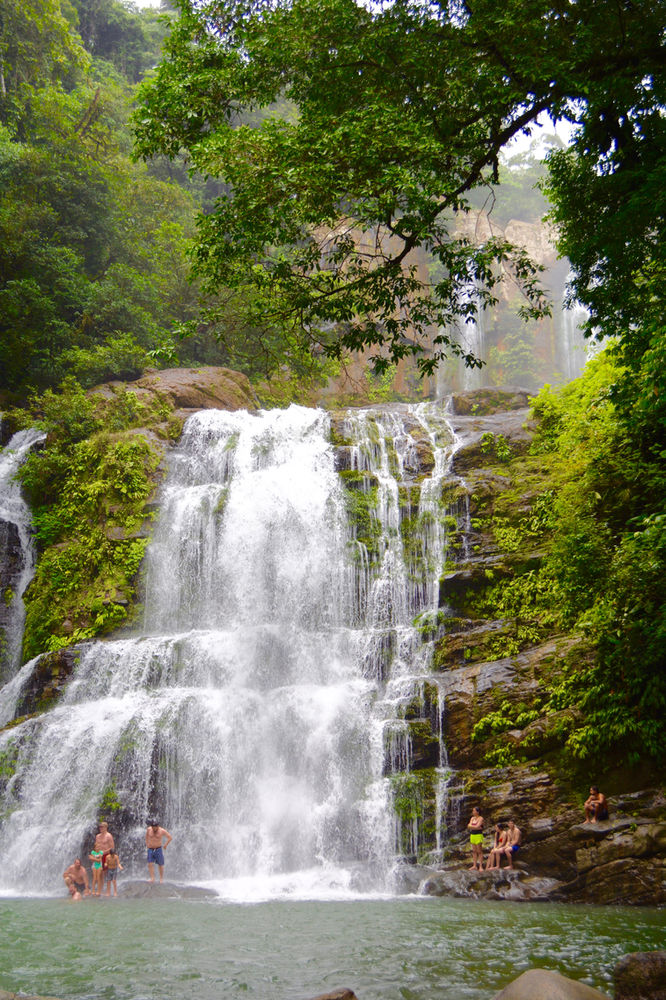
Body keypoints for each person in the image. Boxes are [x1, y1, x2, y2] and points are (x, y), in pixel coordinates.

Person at [467, 806, 484, 871]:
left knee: (479, 851)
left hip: (478, 835)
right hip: (472, 835)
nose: (473, 812)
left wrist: (472, 826)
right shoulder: (472, 818)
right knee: (474, 851)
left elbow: (477, 826)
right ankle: (474, 865)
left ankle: (481, 866)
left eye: (474, 811)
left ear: (477, 812)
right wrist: (475, 827)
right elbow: (468, 826)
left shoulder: (481, 818)